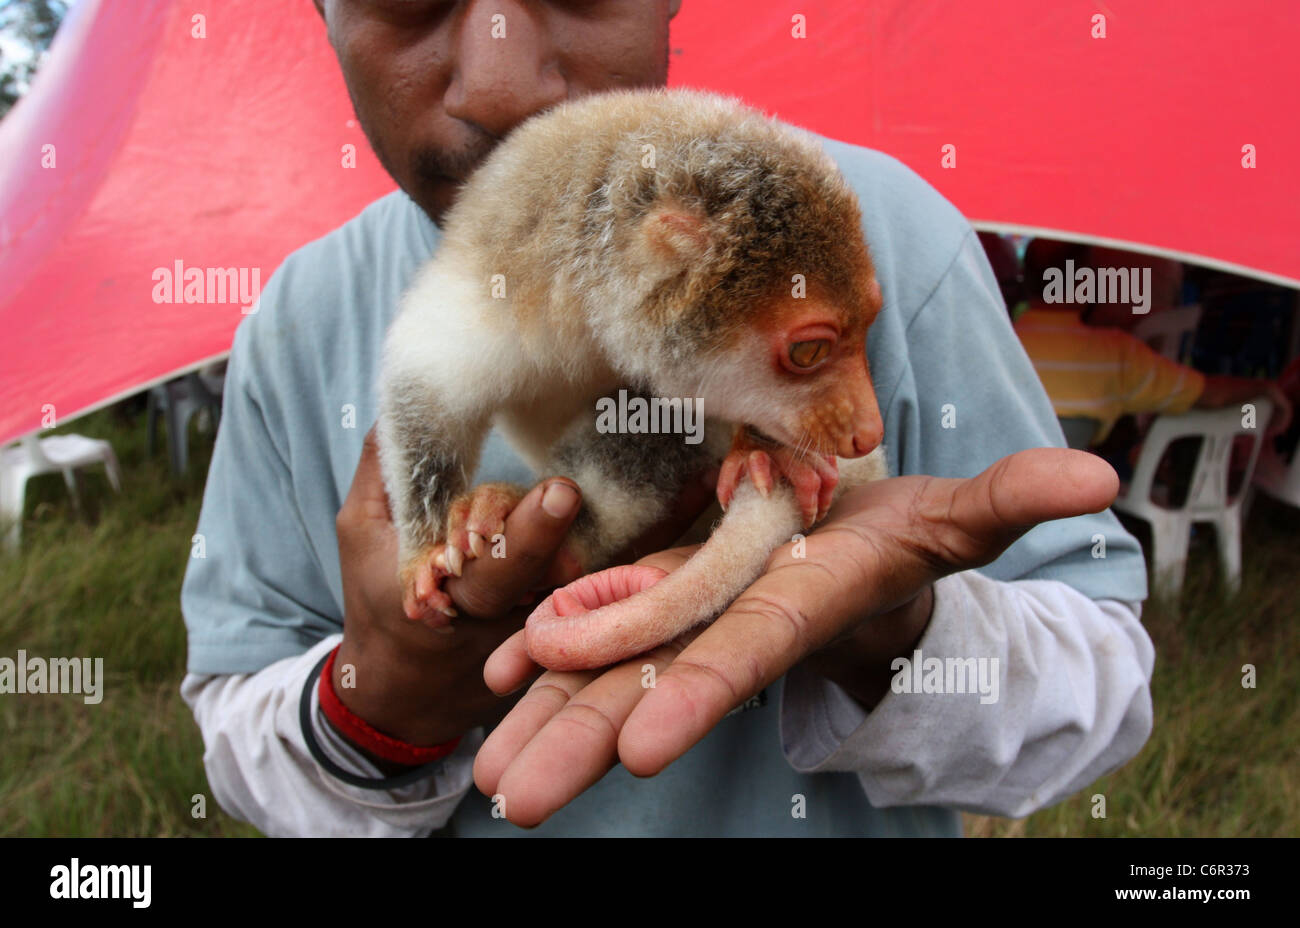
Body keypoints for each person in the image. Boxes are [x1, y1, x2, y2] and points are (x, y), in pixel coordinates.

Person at [180, 0, 1157, 837]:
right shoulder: (303, 321)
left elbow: (1100, 689)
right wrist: (384, 696)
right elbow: (237, 729)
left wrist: (891, 622)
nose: (502, 82)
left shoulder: (881, 232)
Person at [1014, 240, 1294, 458]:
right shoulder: (1117, 354)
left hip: (995, 498)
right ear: (1087, 284)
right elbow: (1207, 394)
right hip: (1068, 495)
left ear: (1025, 282)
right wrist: (1263, 388)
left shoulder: (998, 343)